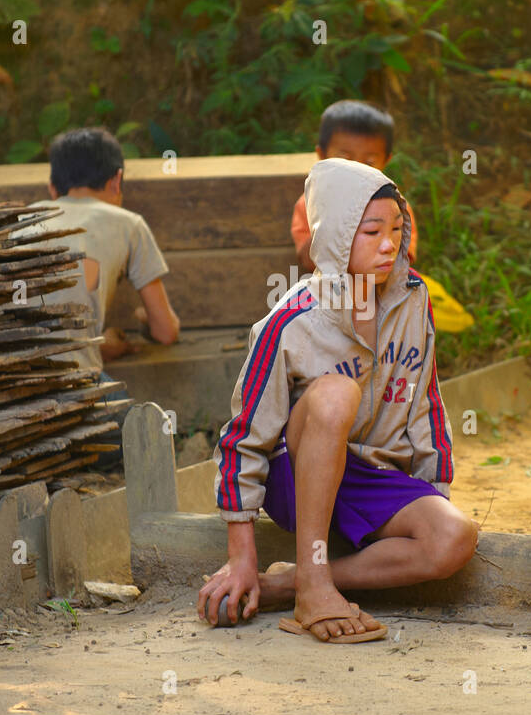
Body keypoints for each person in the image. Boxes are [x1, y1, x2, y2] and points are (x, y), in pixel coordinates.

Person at [199, 158, 476, 643]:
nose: (389, 244)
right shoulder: (291, 321)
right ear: (335, 237)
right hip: (296, 476)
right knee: (334, 393)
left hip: (373, 478)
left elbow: (427, 404)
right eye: (371, 231)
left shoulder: (413, 302)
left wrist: (431, 499)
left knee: (455, 538)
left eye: (396, 228)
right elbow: (242, 439)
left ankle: (296, 582)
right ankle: (315, 584)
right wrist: (241, 558)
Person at [20, 127, 180, 385]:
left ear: (52, 189)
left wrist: (99, 346)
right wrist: (143, 319)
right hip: (71, 385)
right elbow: (165, 331)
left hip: (6, 373)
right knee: (134, 419)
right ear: (116, 180)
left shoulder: (23, 218)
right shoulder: (129, 224)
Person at [290, 100, 420, 274]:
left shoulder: (394, 205)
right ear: (322, 155)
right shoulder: (311, 203)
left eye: (369, 163)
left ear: (386, 161)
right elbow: (307, 260)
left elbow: (404, 259)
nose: (356, 169)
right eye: (345, 160)